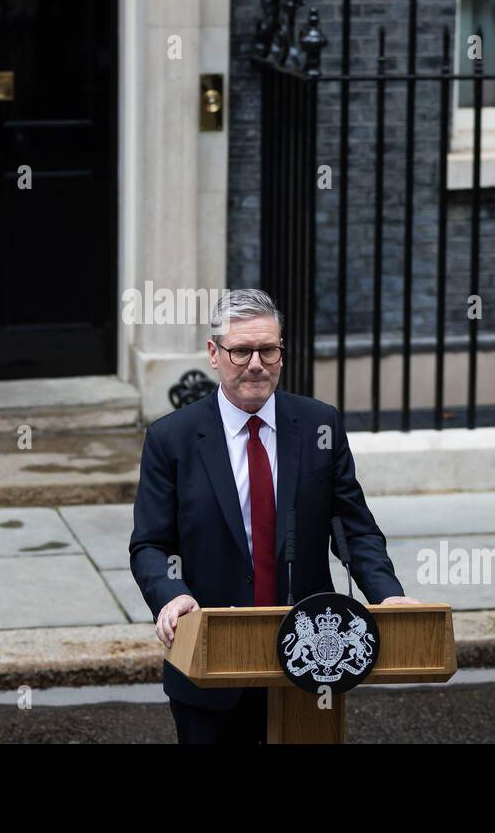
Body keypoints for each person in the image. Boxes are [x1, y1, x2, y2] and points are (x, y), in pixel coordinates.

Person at [129, 288, 419, 744]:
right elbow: (150, 543)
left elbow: (354, 526)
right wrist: (171, 594)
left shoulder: (320, 424)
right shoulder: (173, 438)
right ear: (214, 353)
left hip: (307, 658)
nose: (256, 364)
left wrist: (388, 595)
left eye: (268, 349)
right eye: (241, 351)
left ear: (282, 352)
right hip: (210, 659)